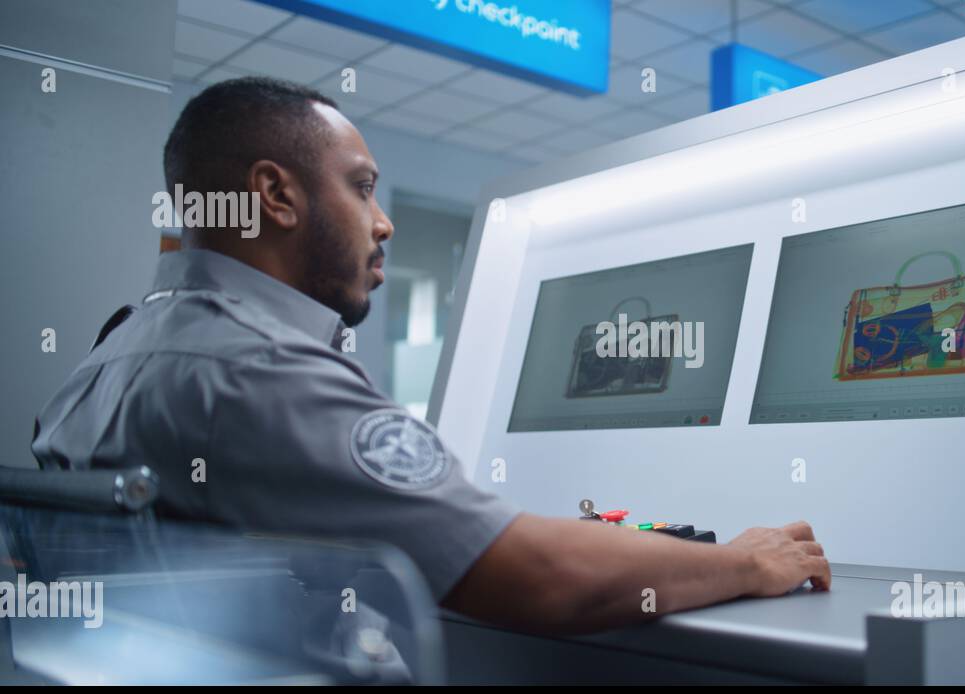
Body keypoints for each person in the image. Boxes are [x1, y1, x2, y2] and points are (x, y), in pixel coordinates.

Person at [31, 77, 830, 635]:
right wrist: (742, 563)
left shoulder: (108, 357)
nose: (382, 223)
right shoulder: (261, 369)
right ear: (274, 195)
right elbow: (537, 577)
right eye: (362, 187)